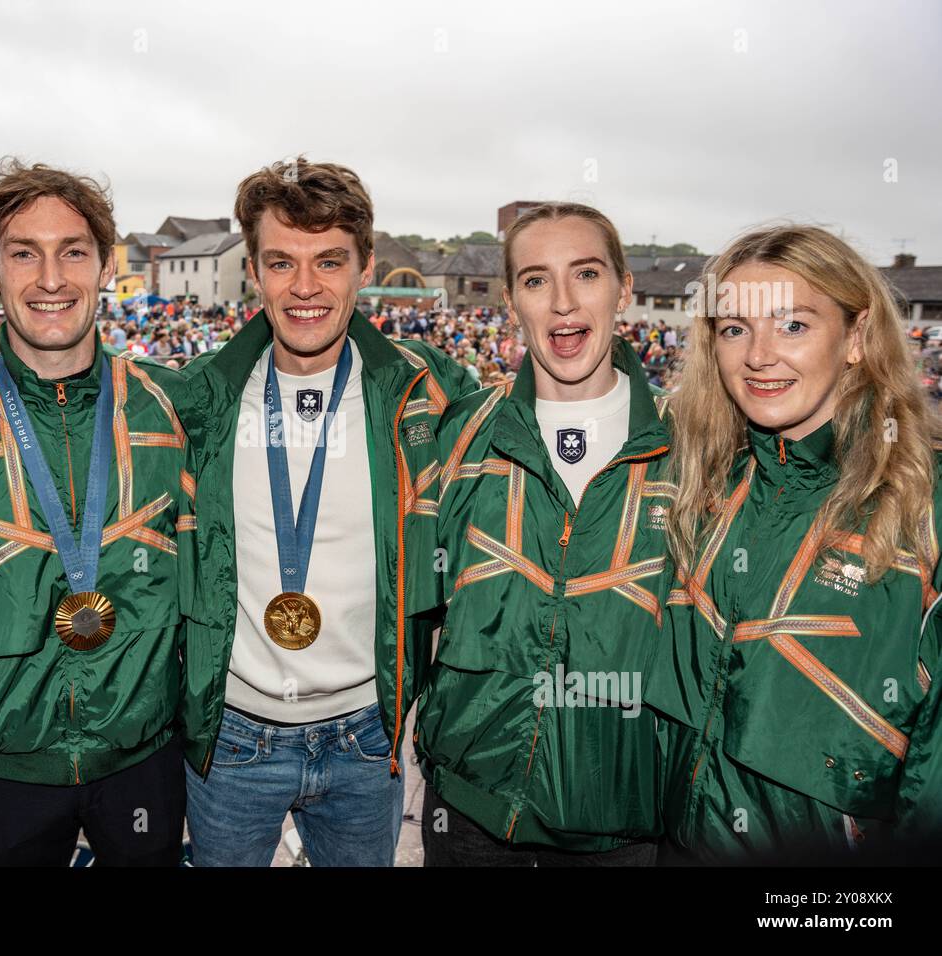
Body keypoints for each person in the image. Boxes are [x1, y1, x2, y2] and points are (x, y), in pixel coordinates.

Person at [0, 160, 191, 866]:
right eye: (25, 253)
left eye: (73, 252)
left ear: (107, 265)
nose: (51, 278)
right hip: (1, 761)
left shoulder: (176, 406)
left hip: (144, 751)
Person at [177, 157, 476, 867]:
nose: (305, 287)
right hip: (232, 739)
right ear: (253, 270)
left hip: (366, 740)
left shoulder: (427, 395)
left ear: (366, 265)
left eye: (330, 261)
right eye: (281, 262)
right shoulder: (196, 400)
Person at [645, 225, 942, 863]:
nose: (759, 356)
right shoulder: (704, 475)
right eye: (734, 329)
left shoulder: (927, 503)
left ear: (857, 337)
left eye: (793, 326)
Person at [414, 202, 672, 865]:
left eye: (585, 274)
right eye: (535, 280)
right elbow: (411, 600)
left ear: (625, 287)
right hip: (471, 814)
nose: (562, 302)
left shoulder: (700, 444)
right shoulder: (461, 432)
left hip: (627, 824)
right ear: (510, 300)